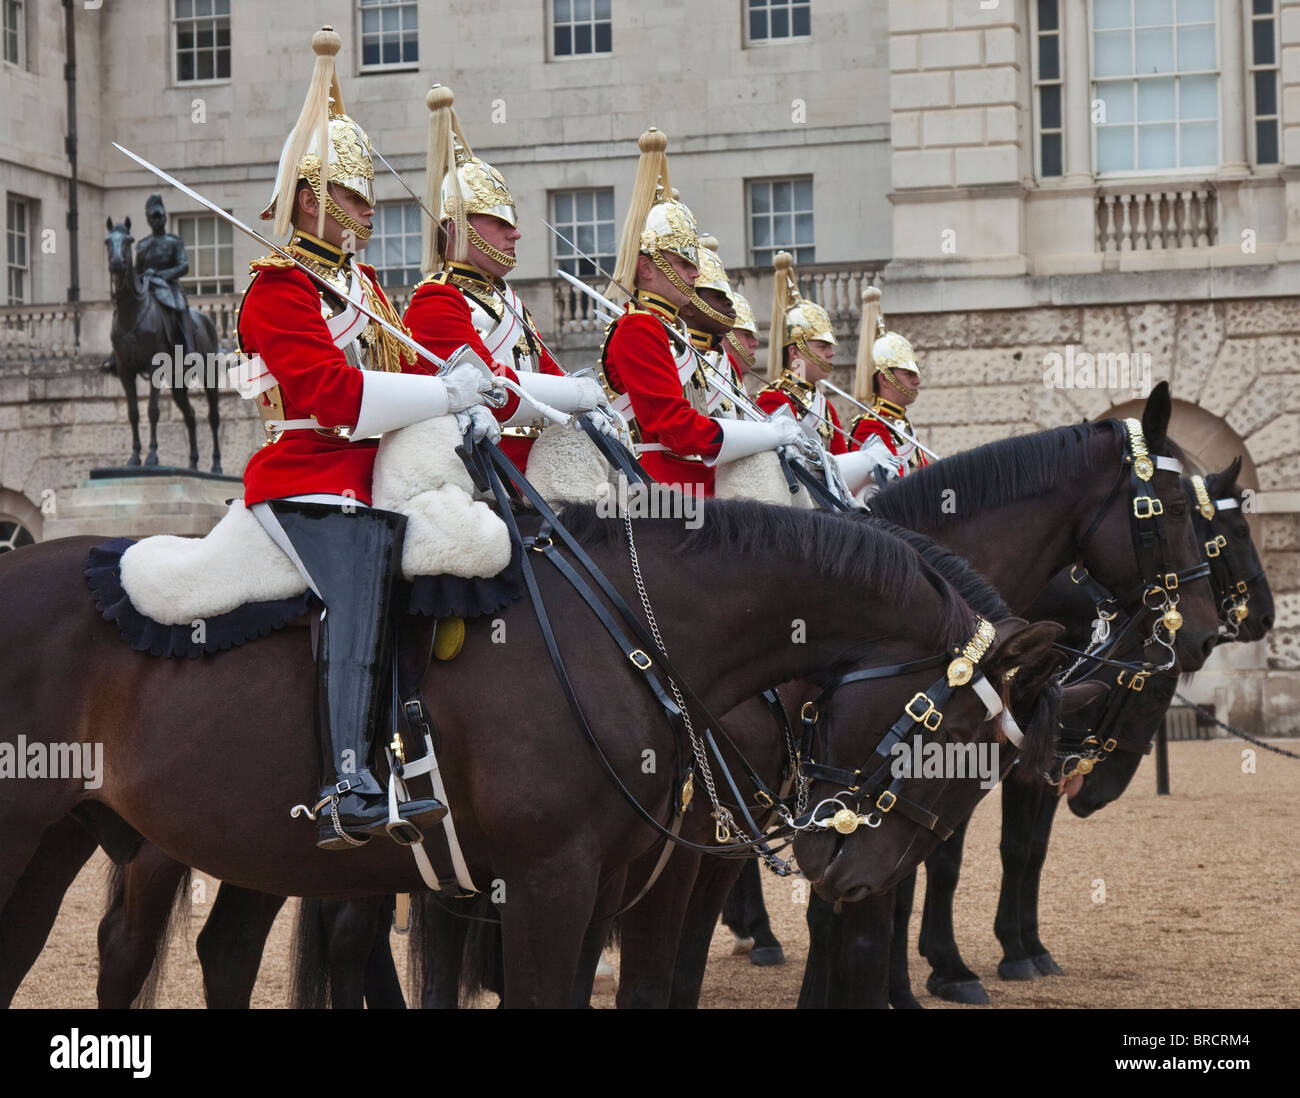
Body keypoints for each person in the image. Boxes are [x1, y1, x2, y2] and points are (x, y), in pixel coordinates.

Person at [237, 27, 494, 850]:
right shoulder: (279, 291)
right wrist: (439, 389)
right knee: (364, 572)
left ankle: (417, 753)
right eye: (353, 197)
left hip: (375, 474)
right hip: (306, 478)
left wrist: (462, 408)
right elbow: (335, 397)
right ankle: (346, 779)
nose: (370, 209)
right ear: (310, 198)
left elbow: (396, 392)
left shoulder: (367, 288)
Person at [403, 86, 604, 471]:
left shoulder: (510, 302)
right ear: (458, 228)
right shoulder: (437, 300)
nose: (515, 234)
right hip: (490, 469)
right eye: (499, 223)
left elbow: (549, 373)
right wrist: (575, 394)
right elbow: (491, 392)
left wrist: (587, 403)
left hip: (539, 463)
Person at [600, 129, 800, 498]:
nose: (695, 273)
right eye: (684, 263)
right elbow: (674, 427)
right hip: (663, 493)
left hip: (703, 485)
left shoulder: (672, 332)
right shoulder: (638, 330)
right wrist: (764, 435)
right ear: (646, 268)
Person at [850, 286, 929, 481]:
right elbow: (893, 483)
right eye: (908, 374)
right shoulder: (870, 427)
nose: (916, 380)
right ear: (884, 378)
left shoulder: (902, 424)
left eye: (915, 373)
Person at [136, 193, 198, 359]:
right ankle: (117, 353)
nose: (157, 220)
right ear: (148, 219)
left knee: (180, 307)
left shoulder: (174, 242)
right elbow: (136, 271)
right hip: (147, 288)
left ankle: (189, 348)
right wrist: (143, 277)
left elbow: (183, 266)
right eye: (153, 217)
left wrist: (160, 275)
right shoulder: (142, 245)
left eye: (159, 216)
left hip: (169, 287)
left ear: (164, 217)